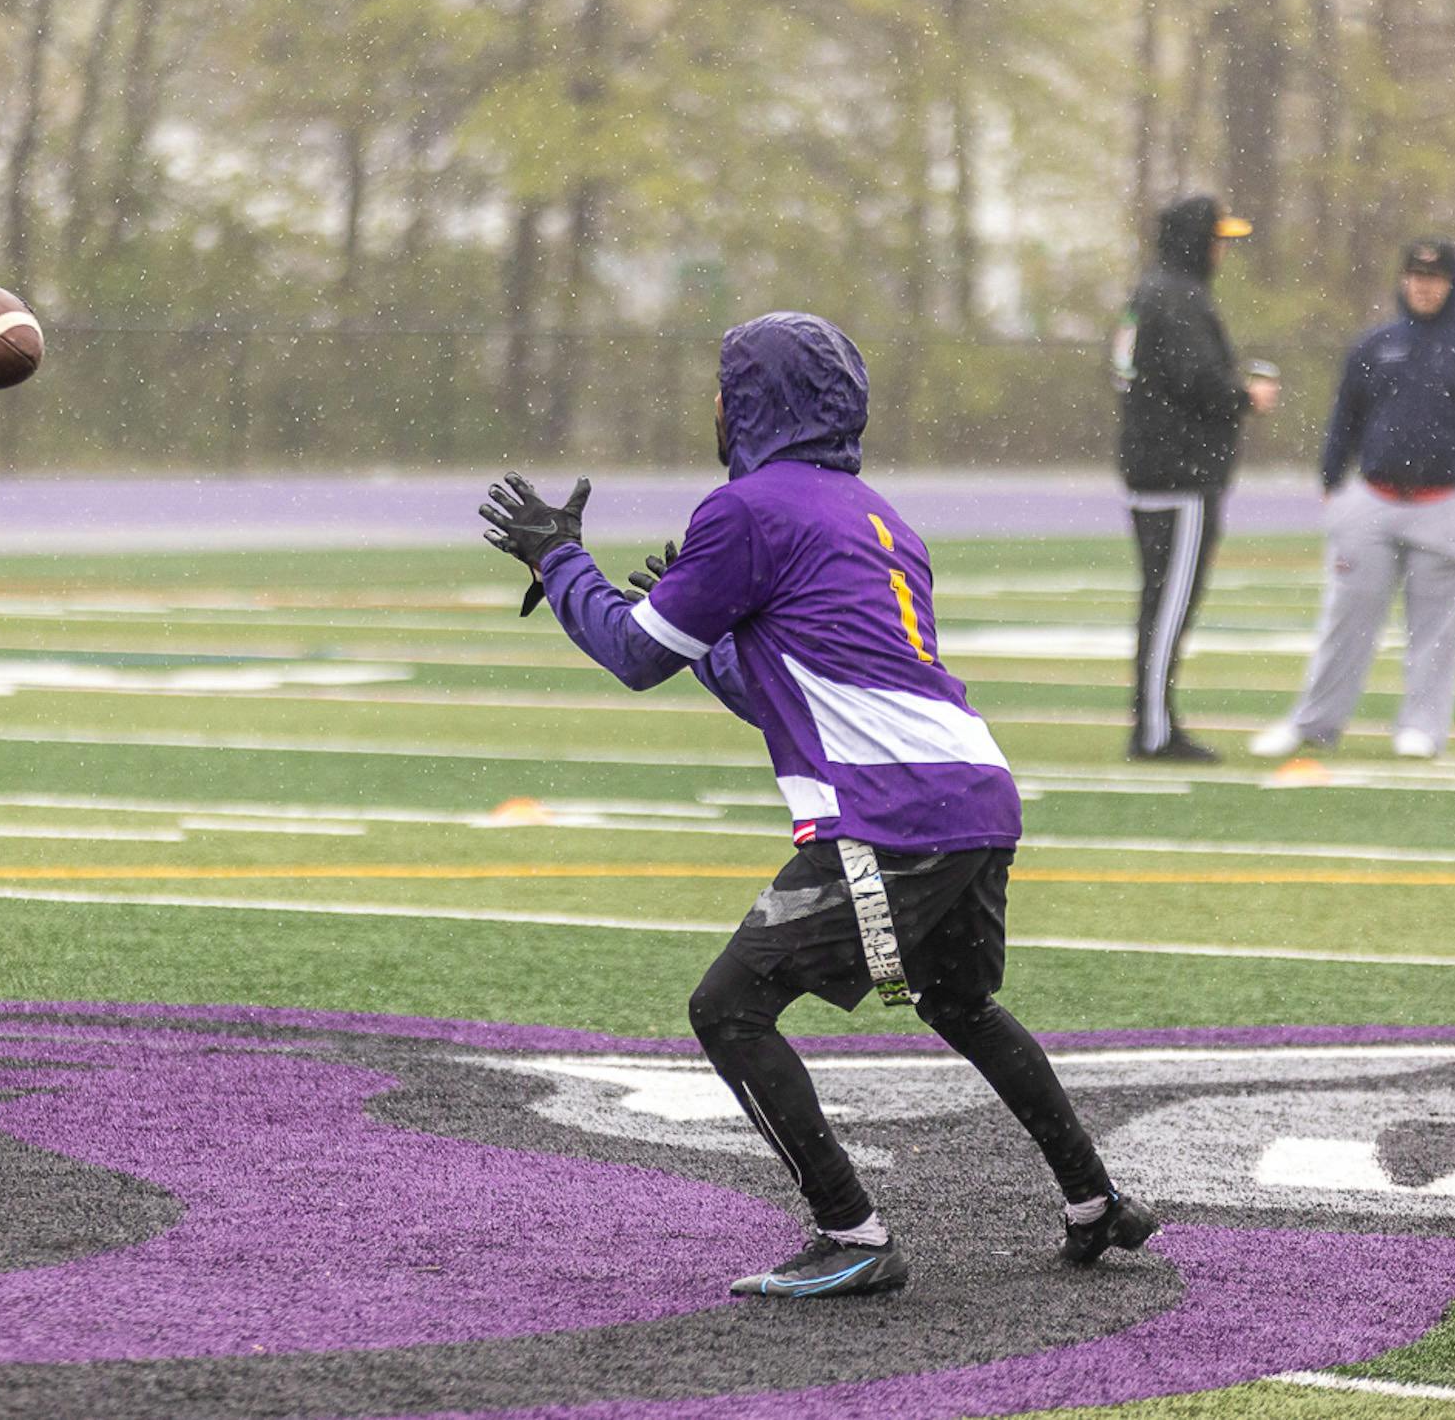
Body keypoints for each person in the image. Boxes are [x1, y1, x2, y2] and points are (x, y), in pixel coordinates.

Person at [480, 311, 1158, 1301]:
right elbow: (795, 690)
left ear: (751, 401)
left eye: (724, 388)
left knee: (728, 1008)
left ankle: (852, 1229)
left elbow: (632, 656)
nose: (713, 405)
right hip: (974, 785)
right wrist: (717, 644)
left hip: (891, 812)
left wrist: (557, 558)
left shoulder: (744, 510)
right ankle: (1093, 1199)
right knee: (958, 1000)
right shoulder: (880, 516)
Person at [1250, 238, 1455, 761]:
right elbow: (1346, 417)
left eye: (1435, 278)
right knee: (1346, 619)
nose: (1424, 287)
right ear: (1403, 280)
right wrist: (1331, 481)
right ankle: (1315, 722)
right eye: (1416, 277)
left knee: (1436, 629)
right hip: (1374, 498)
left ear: (1452, 283)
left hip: (1446, 502)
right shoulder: (1377, 345)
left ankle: (1421, 727)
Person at [1114, 194, 1279, 762]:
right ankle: (1154, 730)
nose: (1222, 252)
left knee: (1160, 602)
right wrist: (1244, 397)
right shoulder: (1178, 298)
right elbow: (1197, 379)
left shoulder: (1149, 292)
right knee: (1168, 604)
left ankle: (1155, 722)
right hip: (1179, 476)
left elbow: (1129, 373)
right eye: (1217, 240)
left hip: (1154, 468)